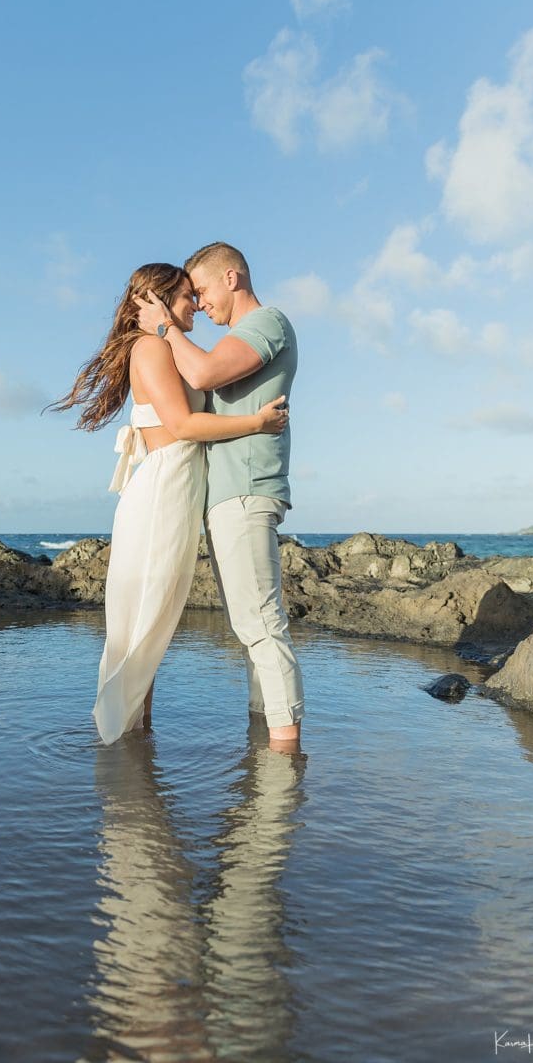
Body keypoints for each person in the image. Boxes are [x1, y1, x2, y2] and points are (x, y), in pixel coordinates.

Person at [49, 263, 288, 745]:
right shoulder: (153, 347)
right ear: (159, 302)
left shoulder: (168, 348)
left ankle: (134, 754)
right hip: (161, 497)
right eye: (184, 296)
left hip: (177, 494)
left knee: (151, 629)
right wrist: (256, 425)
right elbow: (181, 426)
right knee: (142, 624)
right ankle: (122, 746)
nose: (195, 304)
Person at [135, 242, 305, 749]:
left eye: (203, 290)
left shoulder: (267, 324)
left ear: (231, 279)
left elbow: (203, 374)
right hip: (227, 495)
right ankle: (266, 740)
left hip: (247, 491)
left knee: (260, 622)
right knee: (248, 624)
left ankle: (284, 747)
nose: (201, 304)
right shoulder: (235, 337)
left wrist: (165, 328)